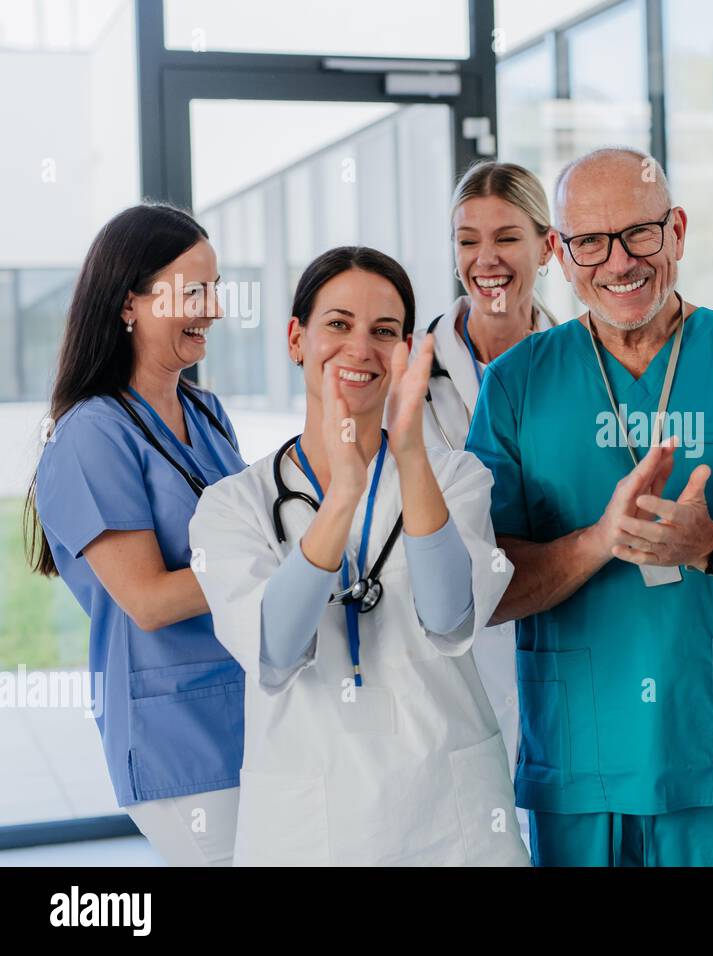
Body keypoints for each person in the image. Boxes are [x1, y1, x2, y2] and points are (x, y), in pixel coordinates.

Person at [466, 146, 713, 867]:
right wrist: (597, 542)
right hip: (584, 769)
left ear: (679, 232)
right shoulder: (515, 385)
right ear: (558, 255)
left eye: (640, 233)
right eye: (590, 242)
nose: (619, 262)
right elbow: (485, 586)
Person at [189, 247, 528, 866]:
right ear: (296, 338)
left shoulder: (457, 478)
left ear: (404, 353)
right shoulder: (231, 506)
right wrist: (342, 498)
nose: (360, 348)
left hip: (449, 818)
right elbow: (274, 650)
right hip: (309, 827)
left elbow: (451, 618)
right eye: (338, 325)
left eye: (384, 332)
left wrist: (410, 455)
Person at [27, 203, 246, 865]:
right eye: (194, 291)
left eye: (216, 289)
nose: (213, 309)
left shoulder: (205, 412)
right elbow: (148, 600)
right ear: (130, 305)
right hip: (173, 731)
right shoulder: (93, 433)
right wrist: (285, 560)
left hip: (250, 711)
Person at [422, 160, 558, 773]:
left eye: (507, 238)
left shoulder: (590, 370)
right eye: (468, 241)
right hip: (453, 664)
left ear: (548, 247)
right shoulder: (413, 377)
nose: (486, 260)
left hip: (565, 634)